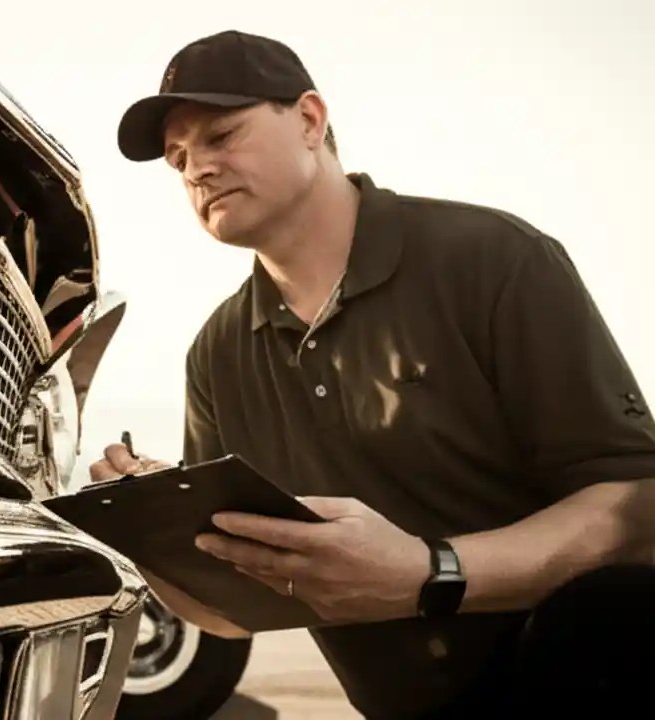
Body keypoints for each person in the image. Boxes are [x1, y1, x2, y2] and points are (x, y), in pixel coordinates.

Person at [90, 29, 655, 719]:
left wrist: (429, 573)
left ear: (308, 120)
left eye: (220, 135)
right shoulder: (216, 354)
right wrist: (154, 535)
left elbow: (638, 515)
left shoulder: (494, 260)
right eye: (178, 158)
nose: (196, 169)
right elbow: (233, 612)